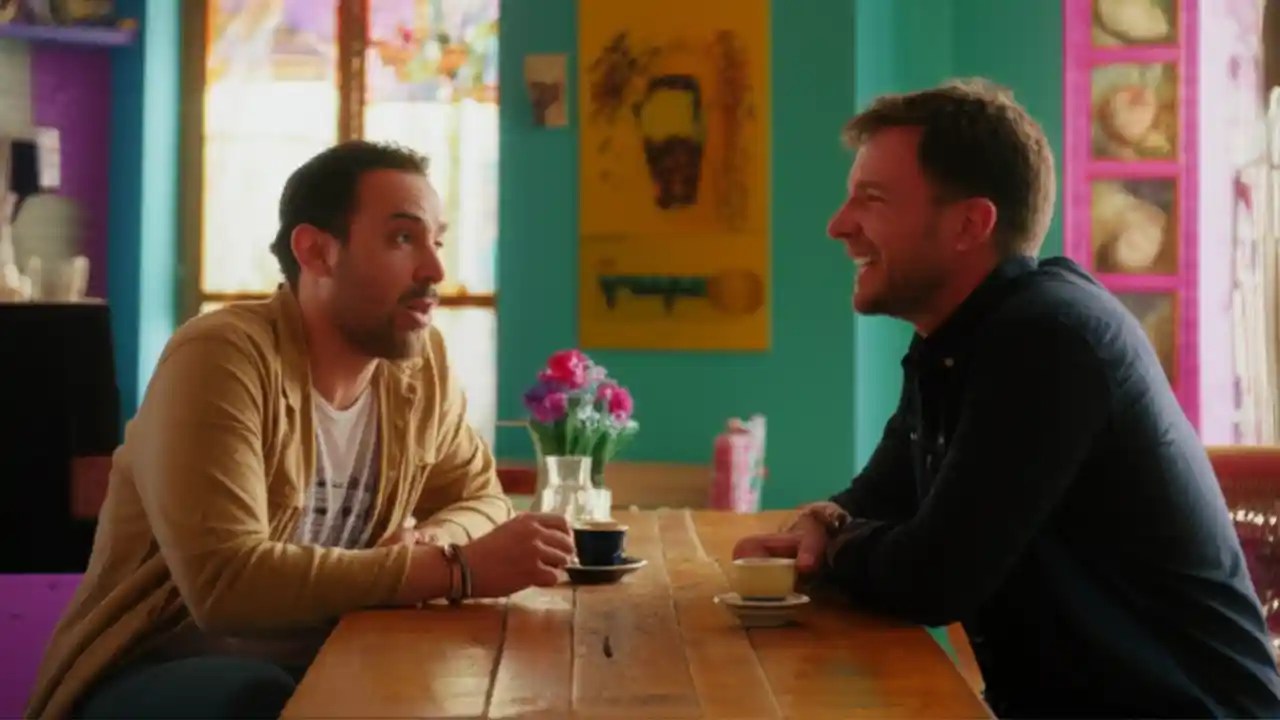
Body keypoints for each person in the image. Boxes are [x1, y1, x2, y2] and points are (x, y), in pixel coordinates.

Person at [733, 79, 1280, 718]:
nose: (838, 225)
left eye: (872, 200)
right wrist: (824, 522)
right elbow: (880, 497)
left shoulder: (1049, 339)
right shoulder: (960, 340)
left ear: (971, 223)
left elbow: (931, 577)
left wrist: (836, 542)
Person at [27, 141, 575, 719]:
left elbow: (479, 496)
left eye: (436, 241)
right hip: (157, 670)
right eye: (402, 239)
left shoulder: (421, 367)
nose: (435, 270)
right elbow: (226, 584)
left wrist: (434, 541)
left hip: (329, 659)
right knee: (266, 700)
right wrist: (454, 569)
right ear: (316, 251)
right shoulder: (222, 356)